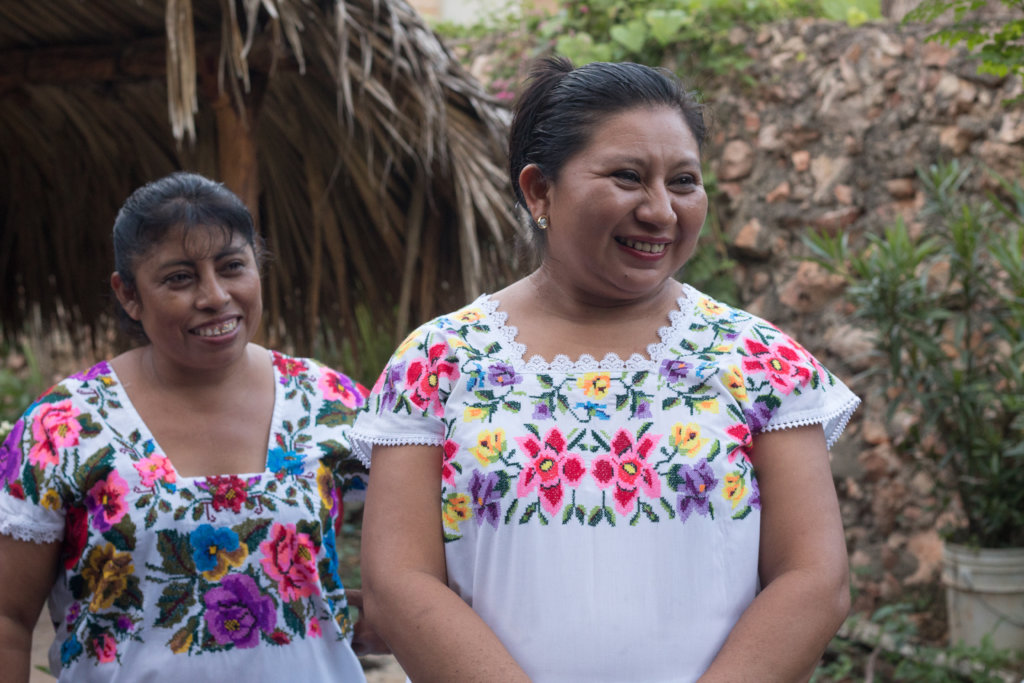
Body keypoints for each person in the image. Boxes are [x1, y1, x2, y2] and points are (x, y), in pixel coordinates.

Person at [351, 57, 859, 682]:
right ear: (539, 191)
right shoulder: (437, 362)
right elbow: (398, 582)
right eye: (627, 177)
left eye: (683, 181)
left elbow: (815, 578)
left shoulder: (758, 360)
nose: (661, 211)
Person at [0, 172, 383, 681]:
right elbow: (8, 618)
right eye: (180, 278)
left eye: (232, 267)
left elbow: (441, 522)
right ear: (129, 294)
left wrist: (391, 600)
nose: (215, 296)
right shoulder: (63, 428)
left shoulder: (328, 402)